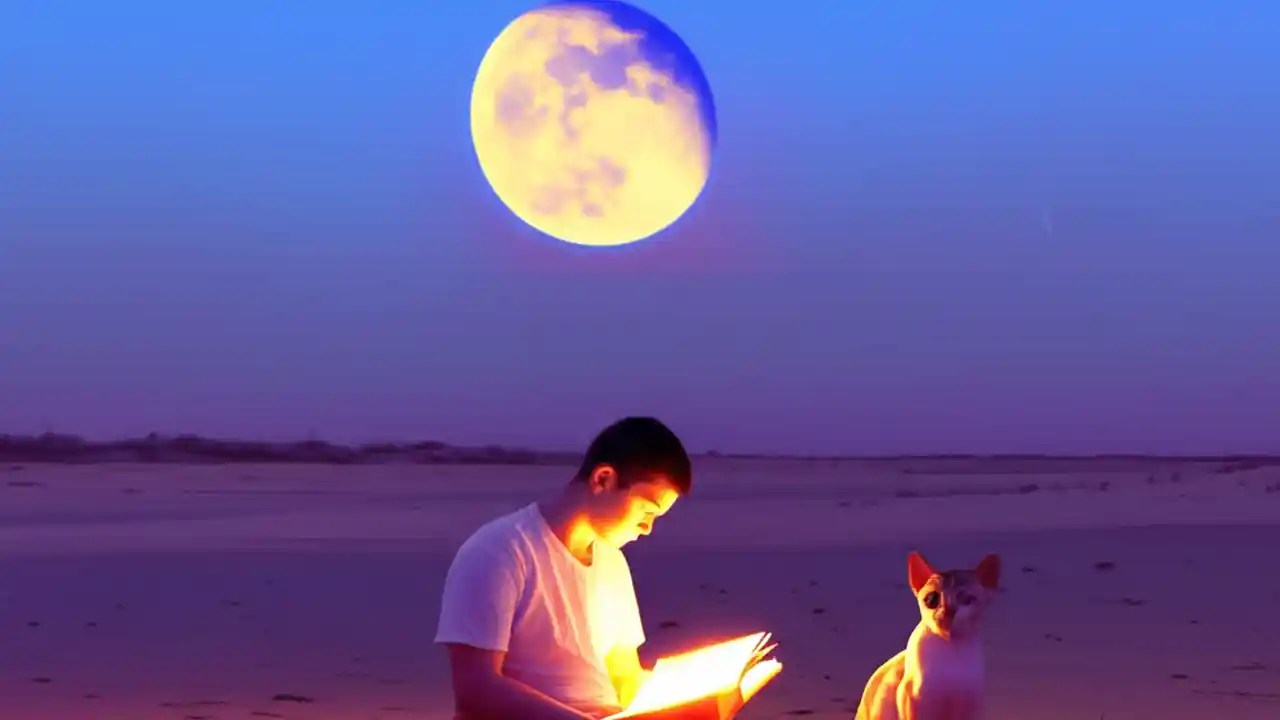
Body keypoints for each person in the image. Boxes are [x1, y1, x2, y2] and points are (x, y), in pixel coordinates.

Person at [435, 416, 693, 720]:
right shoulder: (499, 551)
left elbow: (624, 676)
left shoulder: (612, 562)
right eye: (647, 511)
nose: (648, 528)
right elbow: (476, 691)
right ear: (603, 480)